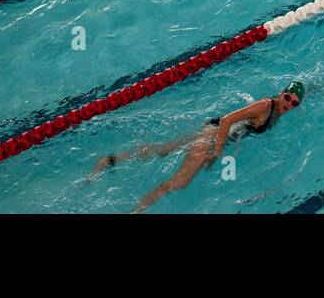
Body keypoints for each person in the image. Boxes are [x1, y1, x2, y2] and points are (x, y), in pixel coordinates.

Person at [88, 81, 306, 212]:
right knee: (179, 182)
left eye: (294, 103)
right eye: (287, 97)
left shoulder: (277, 111)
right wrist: (217, 151)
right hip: (212, 137)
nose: (289, 104)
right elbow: (228, 120)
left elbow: (241, 130)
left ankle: (111, 159)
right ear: (281, 93)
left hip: (214, 133)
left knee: (163, 150)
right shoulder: (265, 105)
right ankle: (136, 211)